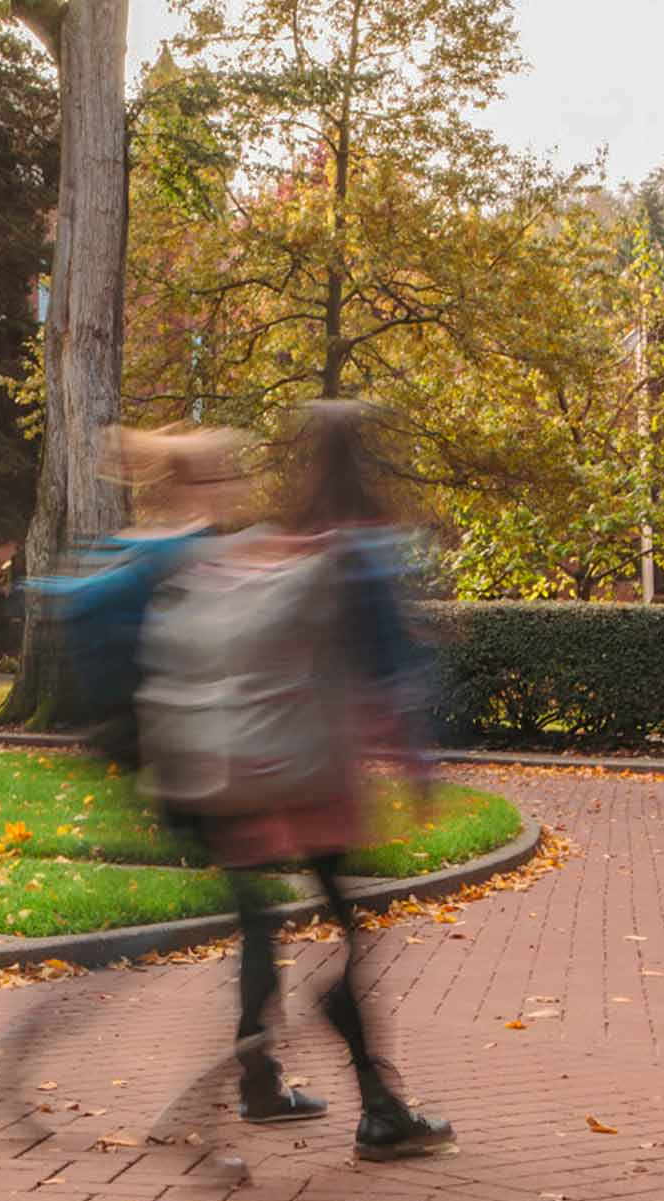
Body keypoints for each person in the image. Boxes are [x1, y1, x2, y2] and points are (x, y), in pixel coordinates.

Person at [137, 401, 453, 1161]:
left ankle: (258, 1071)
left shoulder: (275, 542)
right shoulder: (364, 548)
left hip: (240, 767)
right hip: (314, 777)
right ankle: (376, 1104)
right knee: (345, 938)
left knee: (260, 920)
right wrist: (416, 767)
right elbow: (390, 669)